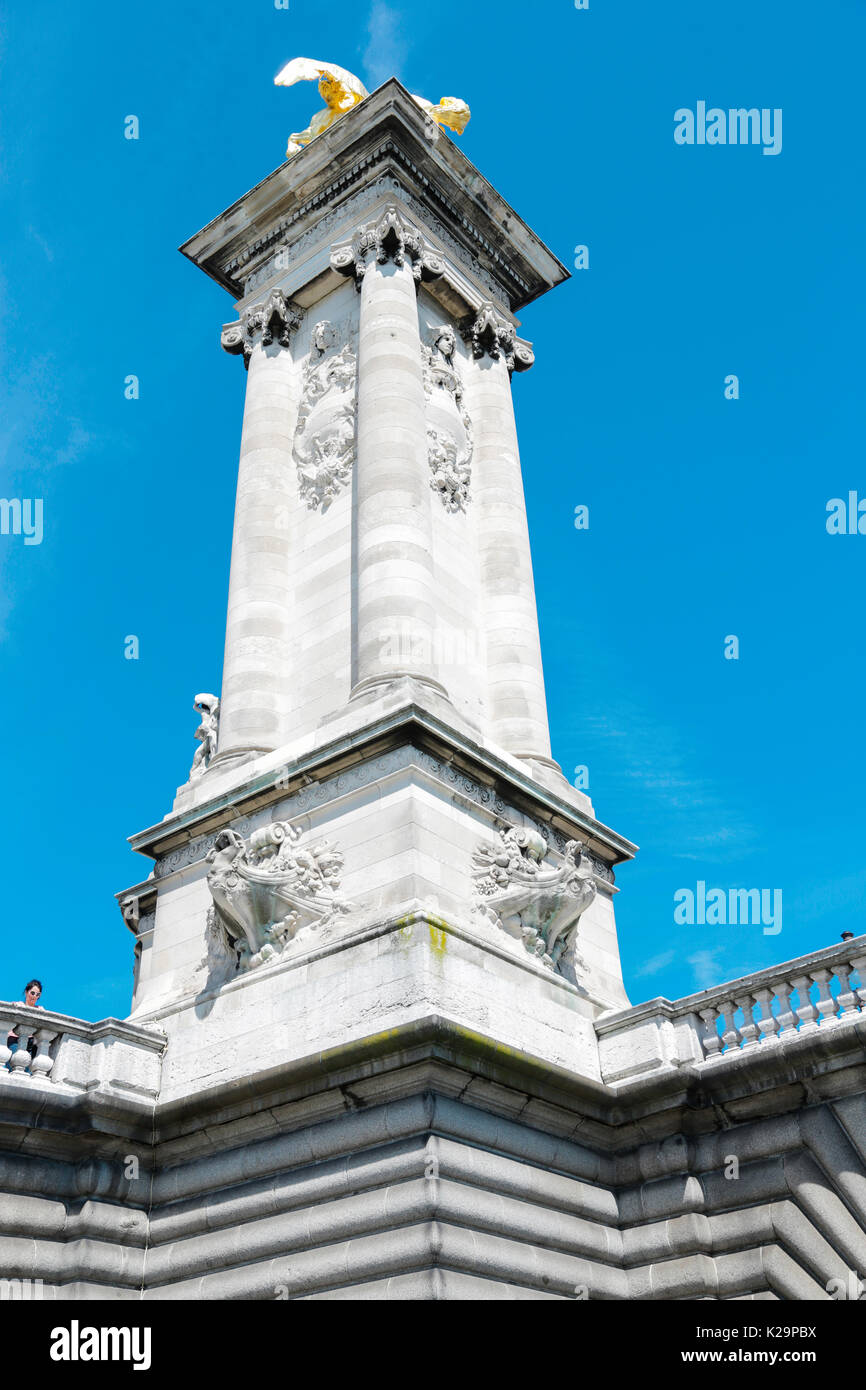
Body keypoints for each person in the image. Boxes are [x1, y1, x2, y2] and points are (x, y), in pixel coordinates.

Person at [6, 979, 44, 1056]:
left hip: (32, 1043)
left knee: (28, 1068)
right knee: (14, 1065)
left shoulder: (40, 1009)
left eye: (38, 994)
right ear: (26, 992)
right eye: (32, 993)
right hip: (15, 1040)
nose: (34, 996)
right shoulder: (17, 1005)